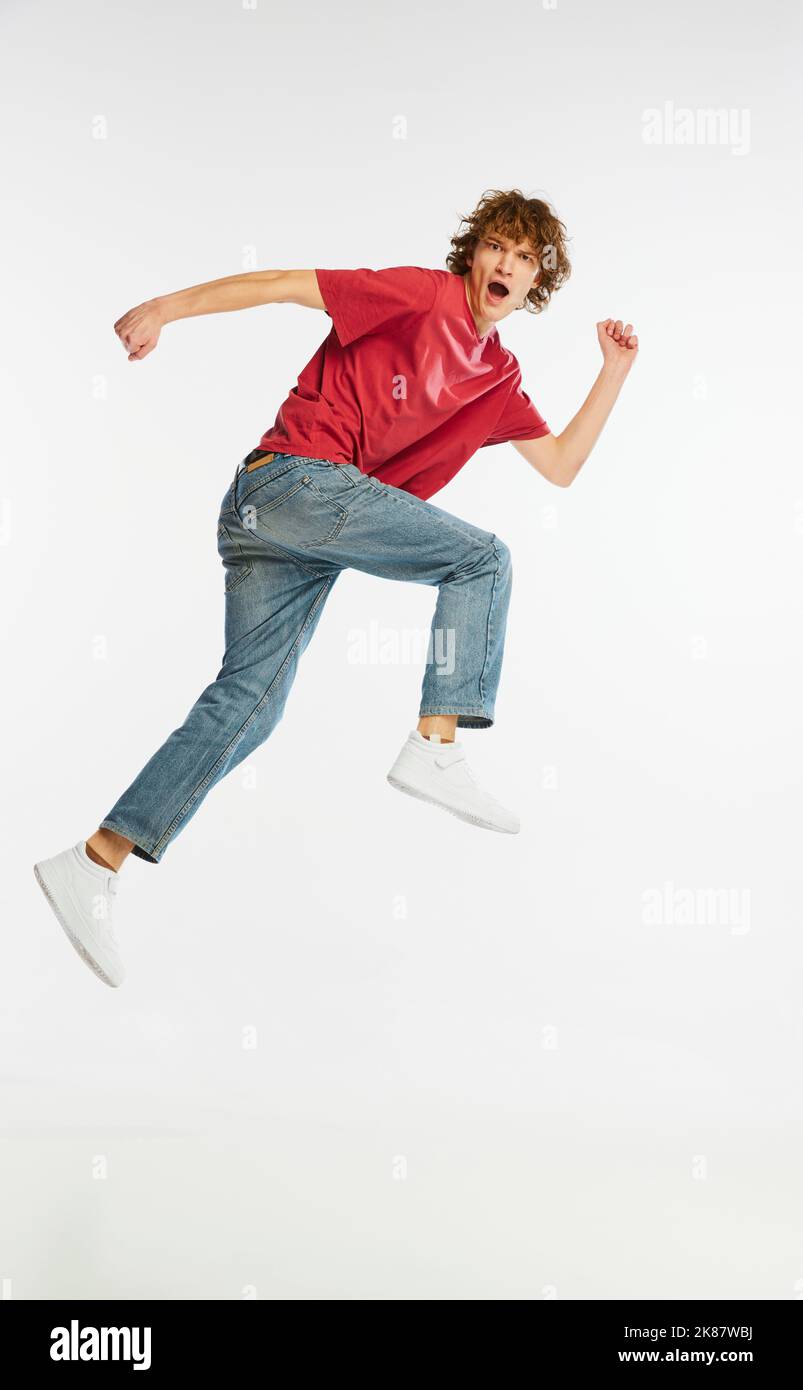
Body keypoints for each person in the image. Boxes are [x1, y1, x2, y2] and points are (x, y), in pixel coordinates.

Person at [33, 187, 638, 987]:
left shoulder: (497, 376)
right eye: (496, 245)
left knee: (250, 707)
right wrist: (163, 309)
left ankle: (94, 860)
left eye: (524, 258)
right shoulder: (420, 295)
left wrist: (614, 371)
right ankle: (434, 744)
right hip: (289, 481)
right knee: (482, 559)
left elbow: (559, 464)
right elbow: (285, 282)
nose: (505, 263)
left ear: (535, 285)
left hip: (288, 528)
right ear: (474, 252)